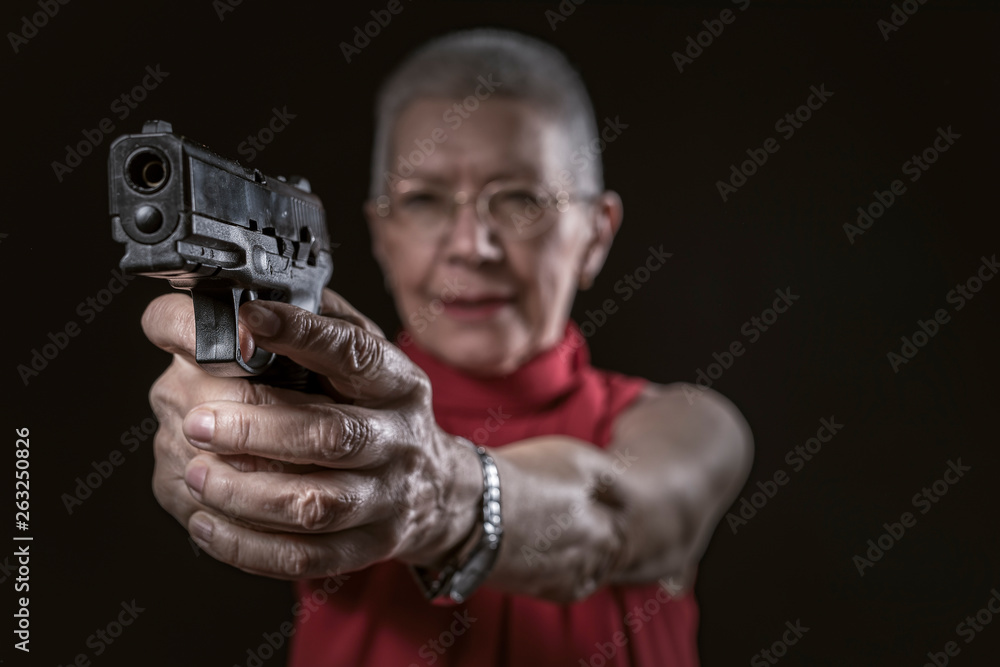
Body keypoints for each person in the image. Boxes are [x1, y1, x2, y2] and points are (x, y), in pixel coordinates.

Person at [142, 29, 753, 666]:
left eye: (520, 200)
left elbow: (612, 519)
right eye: (425, 200)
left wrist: (442, 494)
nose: (471, 245)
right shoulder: (321, 409)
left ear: (596, 235)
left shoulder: (691, 426)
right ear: (382, 235)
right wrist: (212, 440)